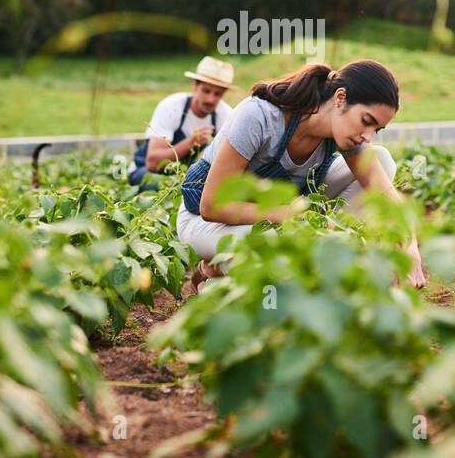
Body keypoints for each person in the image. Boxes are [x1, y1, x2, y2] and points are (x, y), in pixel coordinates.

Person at [178, 59, 426, 292]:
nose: (367, 136)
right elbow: (211, 207)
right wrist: (296, 218)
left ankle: (326, 258)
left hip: (273, 217)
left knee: (380, 159)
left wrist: (411, 246)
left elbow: (389, 197)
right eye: (366, 121)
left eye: (377, 129)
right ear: (340, 98)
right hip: (206, 221)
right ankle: (213, 277)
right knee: (277, 246)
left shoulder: (348, 135)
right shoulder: (260, 116)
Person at [127, 56, 235, 189]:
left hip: (185, 178)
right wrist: (191, 143)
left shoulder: (226, 115)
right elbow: (152, 163)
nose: (210, 99)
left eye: (217, 94)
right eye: (206, 91)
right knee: (168, 187)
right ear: (195, 86)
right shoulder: (171, 107)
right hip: (147, 171)